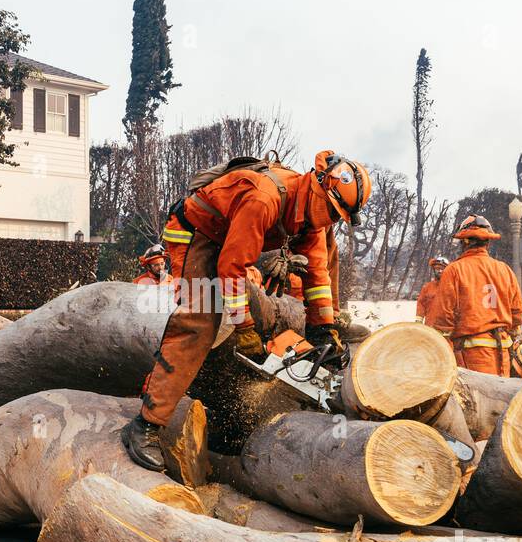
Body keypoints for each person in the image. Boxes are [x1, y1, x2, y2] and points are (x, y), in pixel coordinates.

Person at [122, 150, 371, 470]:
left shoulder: (310, 215)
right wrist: (245, 328)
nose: (330, 220)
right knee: (200, 321)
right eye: (332, 211)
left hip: (230, 237)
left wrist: (323, 327)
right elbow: (232, 269)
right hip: (196, 233)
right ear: (319, 184)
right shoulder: (264, 198)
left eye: (338, 217)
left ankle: (225, 418)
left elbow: (317, 273)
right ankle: (147, 425)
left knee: (268, 310)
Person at [433, 215, 522, 376]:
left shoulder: (455, 270)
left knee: (473, 399)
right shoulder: (505, 270)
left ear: (465, 242)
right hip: (503, 355)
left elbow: (442, 320)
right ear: (487, 243)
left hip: (469, 357)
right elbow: (516, 315)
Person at [415, 256, 449, 328]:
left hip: (448, 330)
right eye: (437, 269)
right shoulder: (427, 287)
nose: (440, 271)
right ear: (434, 270)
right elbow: (421, 305)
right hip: (431, 328)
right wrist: (418, 322)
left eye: (443, 269)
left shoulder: (453, 287)